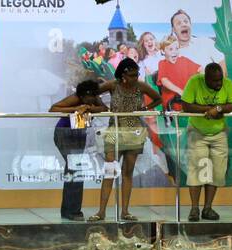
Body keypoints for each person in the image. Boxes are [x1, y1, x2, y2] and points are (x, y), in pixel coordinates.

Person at [92, 57, 161, 221]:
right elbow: (93, 93)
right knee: (110, 172)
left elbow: (158, 98)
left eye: (137, 75)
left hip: (134, 133)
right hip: (114, 131)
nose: (135, 78)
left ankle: (125, 211)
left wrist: (144, 108)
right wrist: (102, 106)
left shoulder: (140, 86)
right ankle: (101, 212)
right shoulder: (113, 85)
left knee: (127, 173)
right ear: (123, 75)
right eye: (132, 75)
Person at [181, 62, 232, 221]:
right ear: (205, 78)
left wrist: (218, 109)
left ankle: (208, 208)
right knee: (197, 170)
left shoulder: (228, 84)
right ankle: (194, 209)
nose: (218, 84)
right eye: (214, 81)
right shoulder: (194, 82)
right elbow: (186, 105)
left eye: (220, 80)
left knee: (216, 172)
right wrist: (207, 111)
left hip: (219, 134)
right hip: (198, 133)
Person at [49, 79, 103, 221]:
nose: (93, 99)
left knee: (75, 170)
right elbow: (53, 108)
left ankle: (70, 210)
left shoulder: (93, 99)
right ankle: (72, 211)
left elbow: (104, 109)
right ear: (83, 94)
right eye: (90, 97)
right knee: (75, 169)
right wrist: (76, 109)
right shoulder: (75, 98)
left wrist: (89, 108)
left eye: (94, 96)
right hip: (65, 133)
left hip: (80, 133)